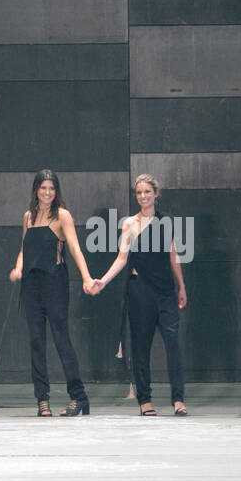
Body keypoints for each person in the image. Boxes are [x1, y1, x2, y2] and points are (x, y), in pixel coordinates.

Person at [92, 174, 188, 416]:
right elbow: (122, 259)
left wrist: (181, 286)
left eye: (147, 192)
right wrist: (103, 280)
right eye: (139, 193)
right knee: (141, 347)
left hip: (165, 291)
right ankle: (145, 401)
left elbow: (173, 255)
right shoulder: (130, 224)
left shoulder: (167, 221)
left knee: (173, 345)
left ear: (156, 194)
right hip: (140, 290)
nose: (143, 196)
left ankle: (178, 399)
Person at [8, 170, 95, 416]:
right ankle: (42, 400)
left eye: (52, 188)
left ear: (57, 191)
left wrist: (87, 278)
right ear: (36, 189)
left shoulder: (62, 215)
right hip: (32, 286)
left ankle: (78, 397)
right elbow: (25, 249)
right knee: (36, 341)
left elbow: (76, 249)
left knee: (61, 338)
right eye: (43, 188)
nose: (47, 192)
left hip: (54, 281)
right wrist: (18, 268)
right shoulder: (28, 217)